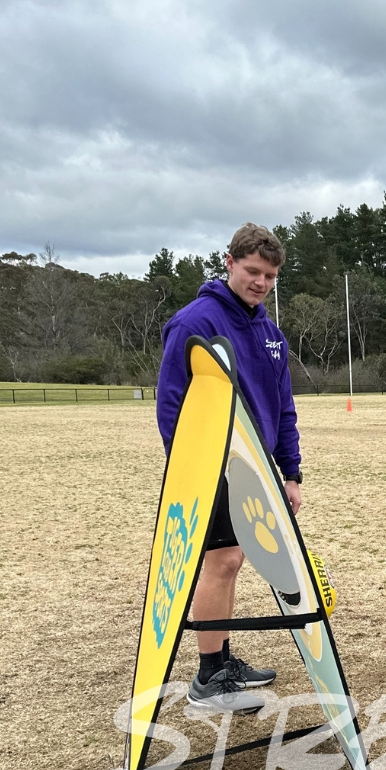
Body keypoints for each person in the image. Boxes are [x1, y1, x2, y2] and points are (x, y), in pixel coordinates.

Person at [156, 223, 303, 710]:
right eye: (253, 271)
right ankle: (208, 679)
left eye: (270, 276)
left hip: (255, 470)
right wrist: (195, 472)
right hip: (211, 470)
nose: (261, 283)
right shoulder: (194, 322)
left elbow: (283, 410)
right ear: (230, 263)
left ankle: (221, 658)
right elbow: (172, 407)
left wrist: (291, 473)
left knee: (234, 561)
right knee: (221, 561)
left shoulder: (270, 333)